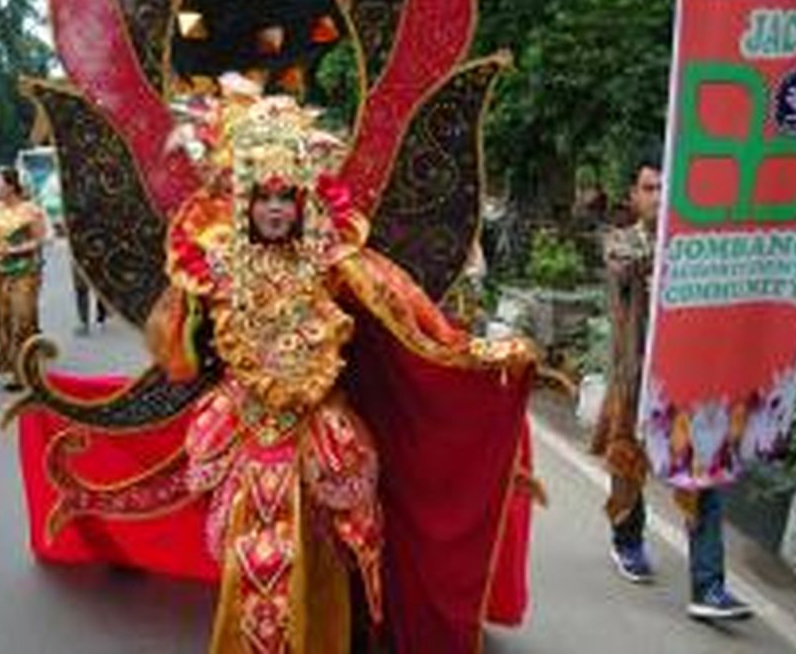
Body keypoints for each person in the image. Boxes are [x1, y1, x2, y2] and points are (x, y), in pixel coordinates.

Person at [141, 87, 537, 653]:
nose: (276, 208)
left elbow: (407, 315)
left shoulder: (333, 260)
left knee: (319, 562)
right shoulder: (214, 267)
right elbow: (175, 351)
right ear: (243, 200)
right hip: (246, 436)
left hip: (315, 440)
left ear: (305, 200)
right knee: (247, 563)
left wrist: (472, 355)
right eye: (263, 196)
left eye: (287, 197)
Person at [592, 153, 753, 621]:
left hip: (688, 383)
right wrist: (673, 241)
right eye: (650, 188)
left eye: (667, 189)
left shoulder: (701, 249)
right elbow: (625, 268)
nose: (660, 198)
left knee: (703, 475)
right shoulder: (621, 241)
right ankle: (627, 539)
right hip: (635, 379)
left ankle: (709, 586)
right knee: (628, 467)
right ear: (633, 195)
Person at [0, 167, 47, 390]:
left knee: (23, 319)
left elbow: (40, 240)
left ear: (11, 186)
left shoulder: (31, 211)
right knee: (4, 319)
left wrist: (15, 250)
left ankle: (23, 373)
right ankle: (10, 361)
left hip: (25, 271)